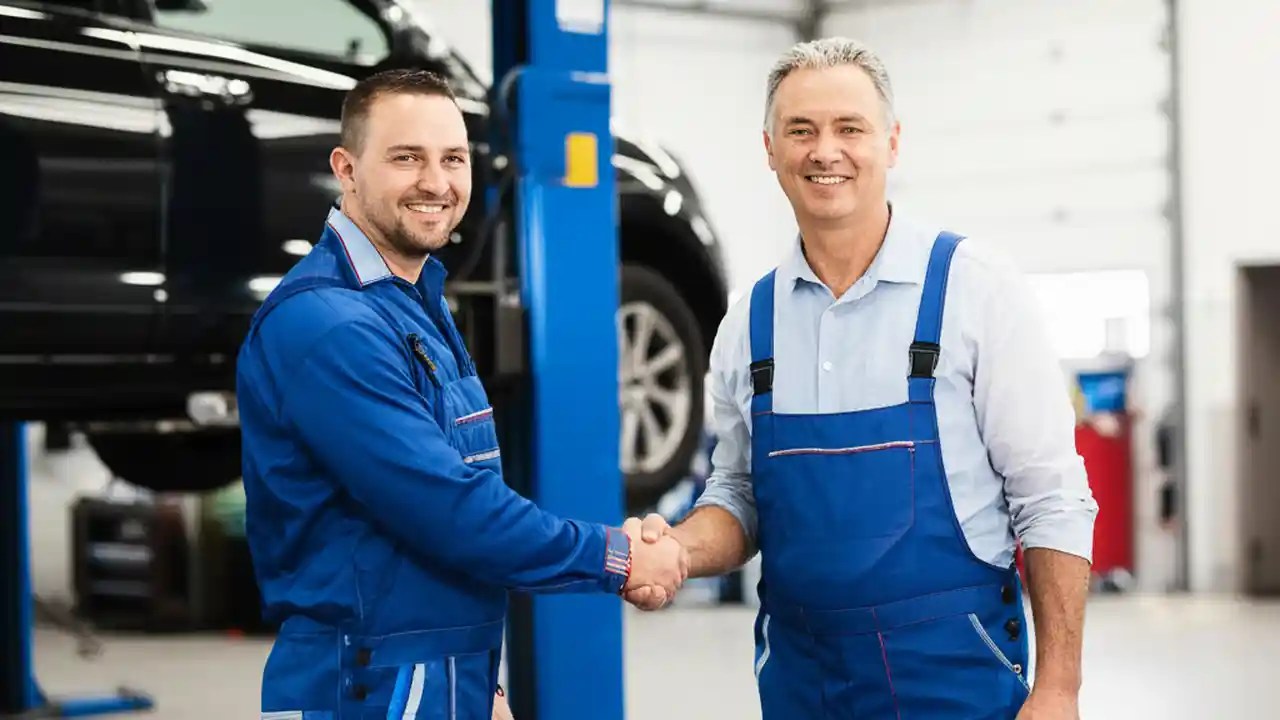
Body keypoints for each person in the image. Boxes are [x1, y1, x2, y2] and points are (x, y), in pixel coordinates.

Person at [626, 37, 1099, 719]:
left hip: (955, 682)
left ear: (892, 142)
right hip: (801, 685)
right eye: (801, 130)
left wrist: (1059, 688)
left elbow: (1051, 496)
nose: (826, 150)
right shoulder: (748, 326)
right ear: (769, 148)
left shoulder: (974, 291)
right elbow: (738, 497)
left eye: (850, 128)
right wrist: (674, 549)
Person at [235, 68, 687, 720]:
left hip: (437, 678)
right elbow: (449, 508)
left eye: (452, 158)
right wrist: (617, 556)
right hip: (365, 686)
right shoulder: (327, 325)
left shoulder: (412, 302)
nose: (436, 182)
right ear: (347, 168)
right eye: (406, 158)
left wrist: (481, 683)